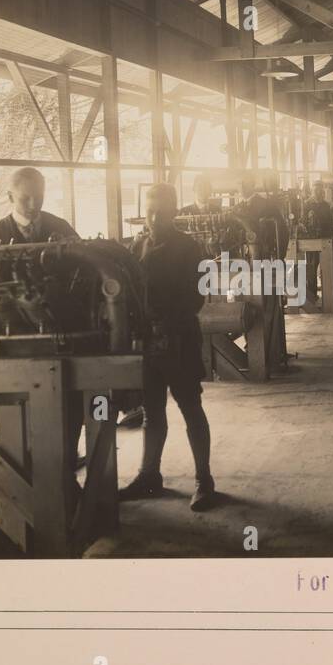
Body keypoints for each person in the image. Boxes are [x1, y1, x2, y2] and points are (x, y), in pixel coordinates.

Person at [120, 183, 217, 512]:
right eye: (149, 211)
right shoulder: (136, 247)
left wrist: (161, 315)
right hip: (148, 344)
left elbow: (196, 298)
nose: (154, 217)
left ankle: (205, 480)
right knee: (152, 413)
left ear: (174, 212)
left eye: (161, 212)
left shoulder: (190, 248)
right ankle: (149, 475)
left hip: (179, 341)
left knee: (191, 408)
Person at [0, 167, 77, 246]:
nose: (33, 205)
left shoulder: (62, 228)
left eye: (39, 198)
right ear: (10, 197)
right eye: (25, 199)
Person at [302, 180, 333, 302]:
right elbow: (302, 221)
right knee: (311, 267)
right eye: (315, 190)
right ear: (312, 191)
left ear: (322, 192)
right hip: (312, 240)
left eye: (320, 191)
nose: (318, 193)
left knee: (327, 266)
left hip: (325, 239)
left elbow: (331, 222)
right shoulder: (307, 205)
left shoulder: (326, 205)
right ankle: (312, 295)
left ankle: (329, 295)